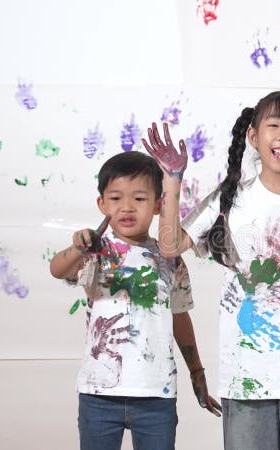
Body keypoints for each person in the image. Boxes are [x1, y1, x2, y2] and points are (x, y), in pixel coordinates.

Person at [142, 90, 280, 450]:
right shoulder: (231, 197)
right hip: (245, 377)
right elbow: (170, 246)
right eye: (274, 125)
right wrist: (172, 179)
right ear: (254, 137)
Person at [49, 151, 220, 450]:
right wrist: (78, 248)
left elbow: (180, 317)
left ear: (158, 205)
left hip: (156, 395)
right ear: (102, 204)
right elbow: (57, 269)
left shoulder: (170, 259)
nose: (127, 207)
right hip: (98, 395)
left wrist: (197, 371)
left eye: (139, 199)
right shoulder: (96, 252)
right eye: (116, 198)